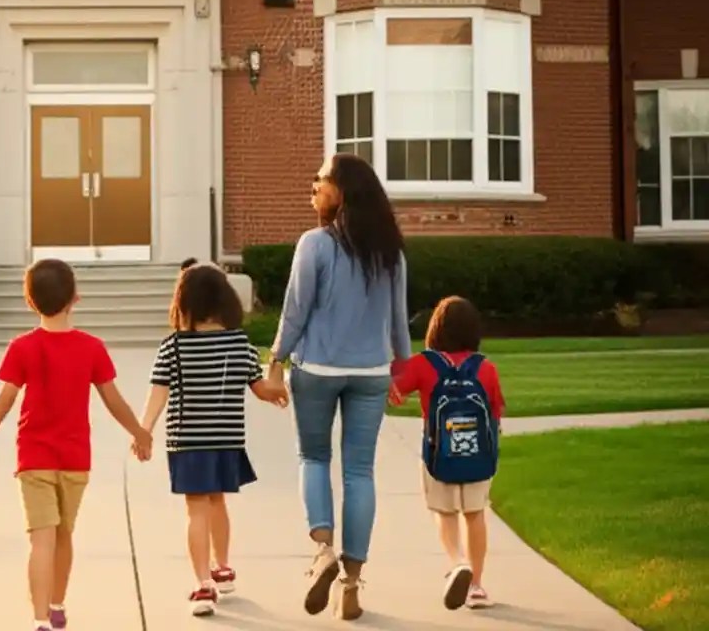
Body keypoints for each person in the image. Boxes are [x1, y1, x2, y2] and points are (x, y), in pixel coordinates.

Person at [0, 259, 152, 631]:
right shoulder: (91, 347)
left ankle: (41, 619)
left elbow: (4, 402)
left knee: (40, 540)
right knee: (64, 536)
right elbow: (113, 399)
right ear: (76, 297)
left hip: (34, 460)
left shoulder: (22, 347)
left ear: (30, 301)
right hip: (76, 460)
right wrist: (140, 432)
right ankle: (58, 605)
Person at [267, 152, 411, 621]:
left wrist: (274, 361)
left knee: (313, 458)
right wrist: (402, 372)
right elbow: (397, 322)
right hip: (371, 373)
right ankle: (351, 584)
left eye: (322, 179)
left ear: (342, 192)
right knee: (359, 473)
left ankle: (323, 553)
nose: (313, 184)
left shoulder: (314, 244)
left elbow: (296, 311)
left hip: (317, 370)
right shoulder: (390, 252)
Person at [140, 263, 289, 617]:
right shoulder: (239, 344)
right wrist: (277, 375)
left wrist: (143, 429)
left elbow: (158, 394)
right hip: (225, 440)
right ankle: (222, 568)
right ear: (227, 301)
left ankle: (202, 584)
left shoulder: (173, 347)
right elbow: (263, 391)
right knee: (217, 502)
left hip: (187, 441)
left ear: (183, 303)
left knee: (196, 510)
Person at [390, 296, 505, 610]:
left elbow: (394, 394)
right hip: (479, 456)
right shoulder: (486, 367)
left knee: (444, 511)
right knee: (475, 513)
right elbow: (496, 412)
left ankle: (457, 563)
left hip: (439, 455)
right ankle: (477, 587)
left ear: (436, 328)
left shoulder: (424, 364)